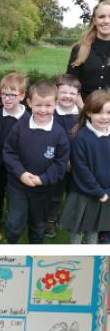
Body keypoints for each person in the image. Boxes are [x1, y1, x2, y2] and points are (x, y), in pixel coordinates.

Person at [4, 81, 70, 243]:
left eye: (48, 105)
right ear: (29, 103)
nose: (42, 110)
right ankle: (9, 251)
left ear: (55, 104)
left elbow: (60, 164)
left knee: (38, 224)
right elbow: (9, 152)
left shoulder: (59, 134)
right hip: (18, 186)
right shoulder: (19, 127)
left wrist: (43, 179)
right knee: (14, 223)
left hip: (44, 189)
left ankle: (35, 253)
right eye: (38, 105)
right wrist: (21, 173)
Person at [60, 87, 110, 243]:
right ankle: (74, 262)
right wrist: (99, 192)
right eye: (98, 112)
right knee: (77, 230)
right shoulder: (80, 138)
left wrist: (107, 192)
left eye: (108, 112)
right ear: (89, 113)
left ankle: (92, 262)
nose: (104, 117)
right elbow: (81, 169)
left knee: (94, 230)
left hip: (106, 192)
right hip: (84, 193)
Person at [0, 71, 28, 243]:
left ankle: (15, 222)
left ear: (22, 96)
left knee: (15, 197)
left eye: (12, 95)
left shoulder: (28, 118)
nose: (7, 98)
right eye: (4, 94)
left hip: (19, 167)